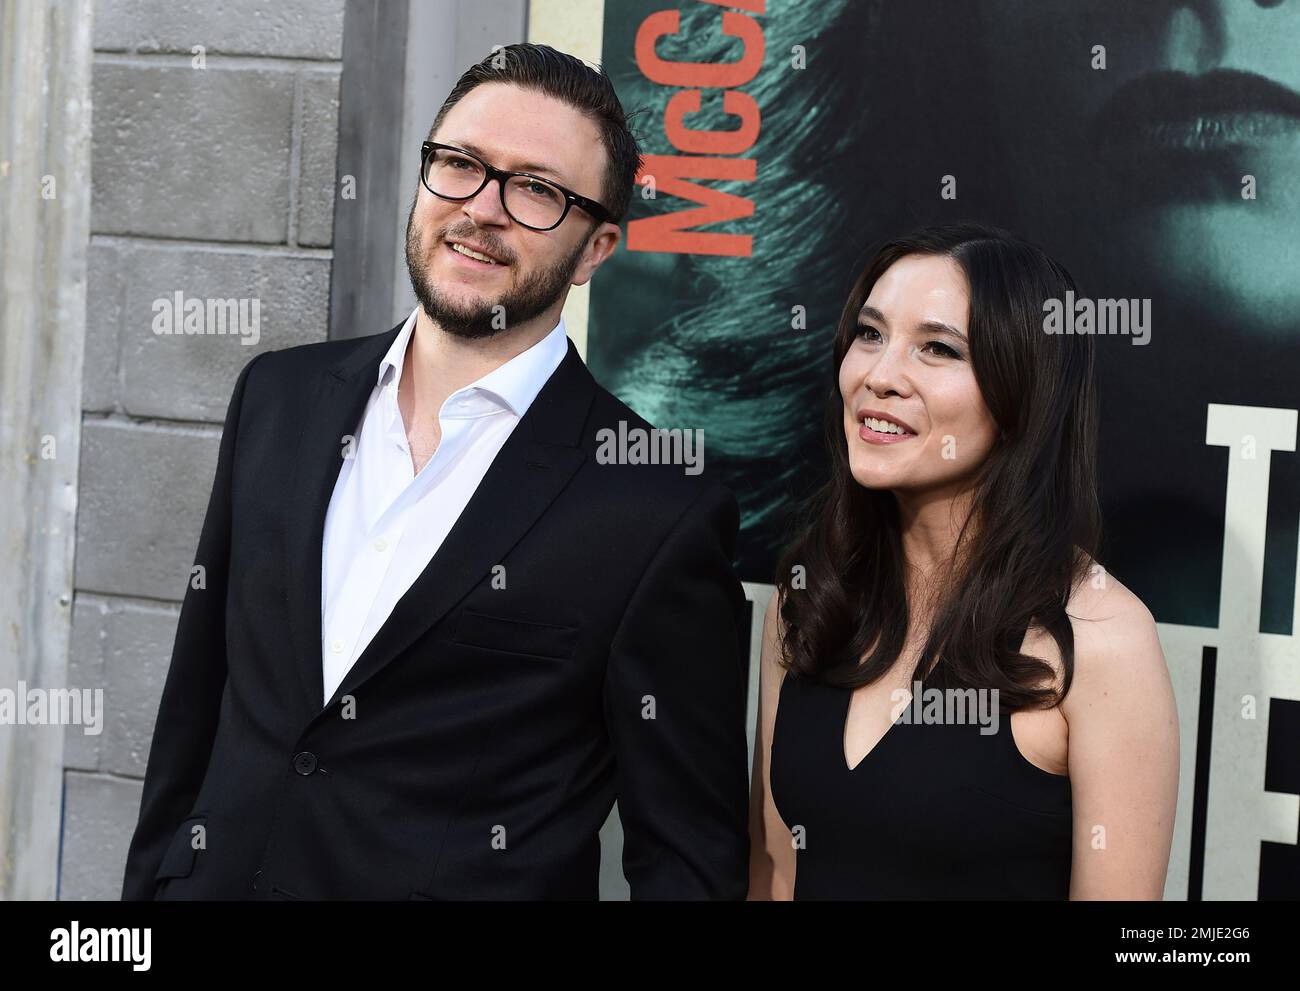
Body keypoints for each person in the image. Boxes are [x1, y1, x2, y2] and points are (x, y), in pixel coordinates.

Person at [121, 43, 750, 901]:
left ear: (598, 245)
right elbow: (190, 720)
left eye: (536, 189)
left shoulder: (657, 503)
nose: (482, 209)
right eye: (459, 164)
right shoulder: (278, 397)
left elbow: (687, 860)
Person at [748, 223, 1179, 899]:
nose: (879, 376)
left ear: (1020, 396)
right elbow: (771, 873)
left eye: (937, 348)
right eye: (869, 334)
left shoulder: (1103, 641)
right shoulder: (810, 599)